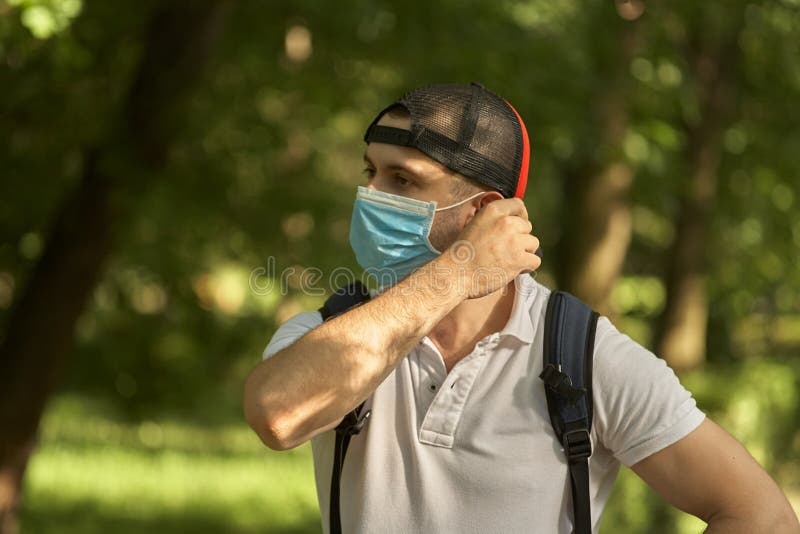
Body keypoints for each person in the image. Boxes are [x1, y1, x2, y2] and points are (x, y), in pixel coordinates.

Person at [244, 83, 798, 533]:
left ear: (484, 211)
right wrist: (457, 271)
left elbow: (762, 516)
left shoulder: (580, 354)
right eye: (371, 172)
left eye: (402, 180)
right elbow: (278, 416)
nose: (371, 196)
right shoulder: (338, 331)